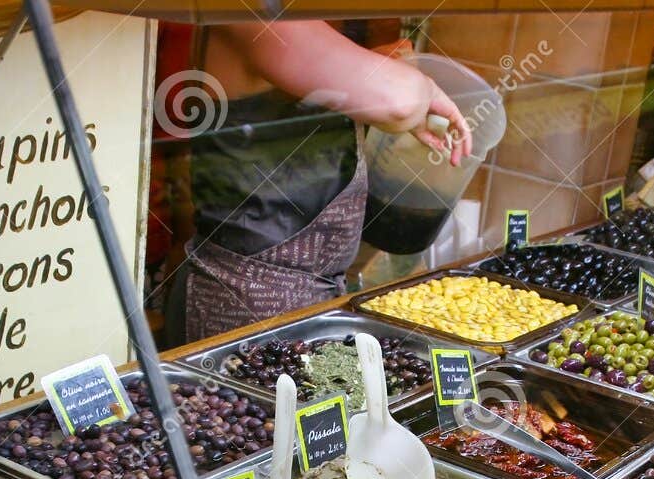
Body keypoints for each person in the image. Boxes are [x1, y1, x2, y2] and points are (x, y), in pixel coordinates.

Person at [165, 21, 471, 345]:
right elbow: (398, 102)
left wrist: (381, 69)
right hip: (244, 303)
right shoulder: (256, 14)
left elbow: (326, 79)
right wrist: (422, 87)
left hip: (307, 304)